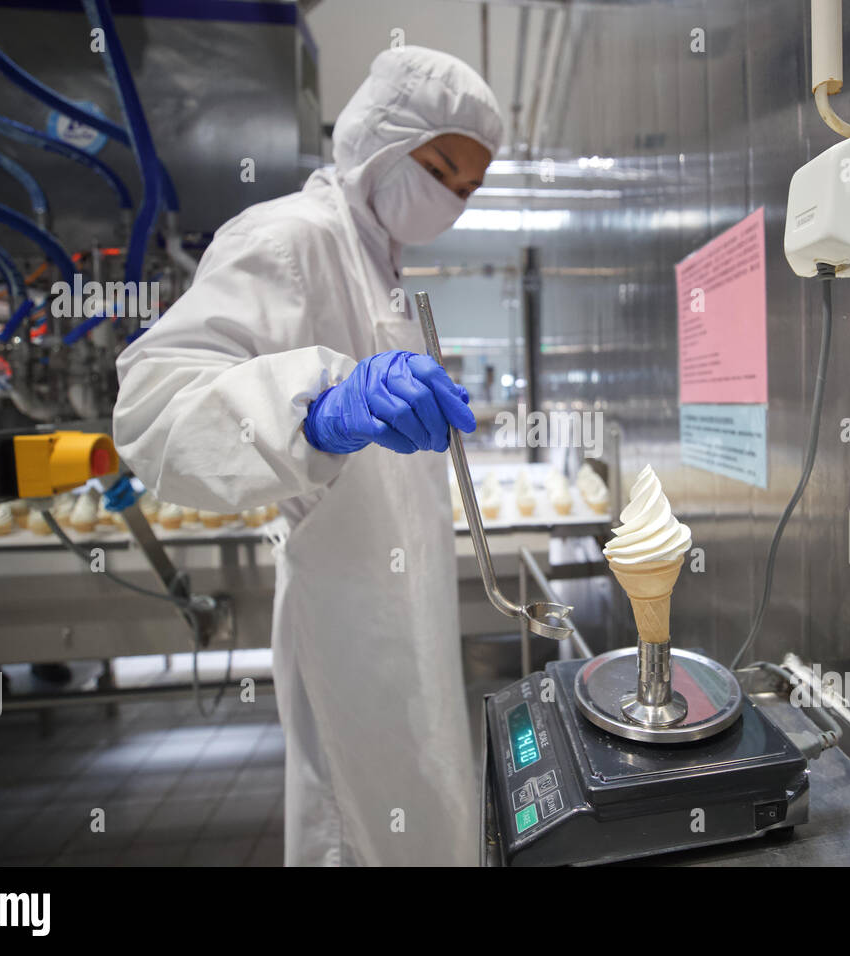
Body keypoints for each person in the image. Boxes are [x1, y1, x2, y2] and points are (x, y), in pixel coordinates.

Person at [112, 46, 502, 866]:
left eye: (467, 189)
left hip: (407, 617)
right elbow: (156, 410)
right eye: (441, 170)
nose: (451, 202)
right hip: (346, 626)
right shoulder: (291, 237)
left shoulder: (378, 260)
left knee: (424, 810)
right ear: (380, 137)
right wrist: (317, 411)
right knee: (354, 828)